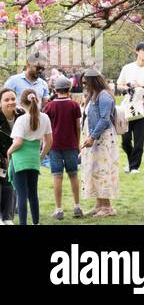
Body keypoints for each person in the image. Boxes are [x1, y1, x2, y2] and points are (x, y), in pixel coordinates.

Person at [6, 88, 51, 224]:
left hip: (20, 160)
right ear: (36, 100)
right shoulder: (45, 118)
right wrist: (41, 156)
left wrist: (9, 152)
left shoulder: (21, 120)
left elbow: (18, 142)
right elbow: (49, 141)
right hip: (33, 159)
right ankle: (36, 222)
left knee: (21, 195)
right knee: (33, 194)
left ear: (21, 103)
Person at [78, 70, 119, 218]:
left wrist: (93, 137)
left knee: (103, 171)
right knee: (94, 170)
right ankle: (99, 204)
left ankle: (108, 207)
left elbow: (105, 119)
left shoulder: (105, 96)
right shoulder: (92, 95)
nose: (83, 85)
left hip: (103, 139)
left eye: (85, 82)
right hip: (93, 139)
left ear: (93, 81)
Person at [116, 41, 144, 173]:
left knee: (139, 139)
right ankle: (131, 161)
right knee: (125, 139)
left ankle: (134, 167)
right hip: (127, 106)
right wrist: (127, 86)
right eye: (142, 50)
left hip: (143, 108)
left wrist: (143, 85)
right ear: (137, 52)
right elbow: (119, 85)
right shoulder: (127, 68)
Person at [44, 77, 83, 220]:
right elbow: (78, 126)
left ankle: (59, 209)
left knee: (57, 176)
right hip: (71, 144)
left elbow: (45, 128)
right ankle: (77, 206)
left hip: (54, 146)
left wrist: (45, 145)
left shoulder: (49, 107)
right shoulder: (74, 105)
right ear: (69, 89)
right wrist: (77, 143)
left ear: (55, 90)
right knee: (73, 175)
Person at [0, 88, 18, 223]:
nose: (10, 102)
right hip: (1, 157)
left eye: (13, 99)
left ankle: (7, 217)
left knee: (11, 185)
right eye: (6, 100)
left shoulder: (22, 115)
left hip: (16, 157)